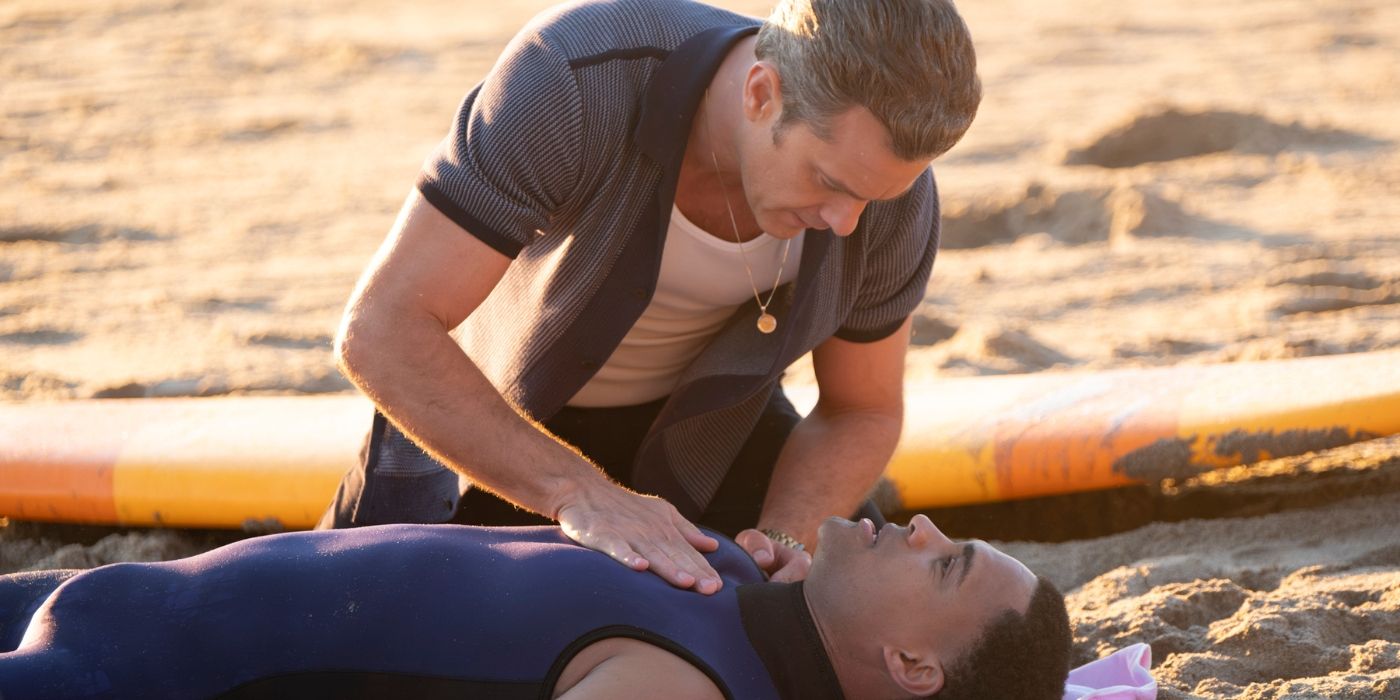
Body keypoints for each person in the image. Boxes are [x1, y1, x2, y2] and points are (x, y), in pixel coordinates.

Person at [321, 0, 982, 595]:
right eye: (830, 182)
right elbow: (381, 330)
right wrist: (581, 493)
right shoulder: (577, 76)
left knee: (856, 620)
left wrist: (784, 536)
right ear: (761, 93)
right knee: (366, 631)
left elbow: (860, 409)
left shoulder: (887, 200)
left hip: (714, 431)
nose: (846, 223)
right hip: (491, 427)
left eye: (875, 196)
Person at [0, 515, 1070, 699]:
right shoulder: (747, 584)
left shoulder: (681, 688)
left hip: (119, 675)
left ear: (911, 666)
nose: (920, 525)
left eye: (943, 565)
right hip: (101, 601)